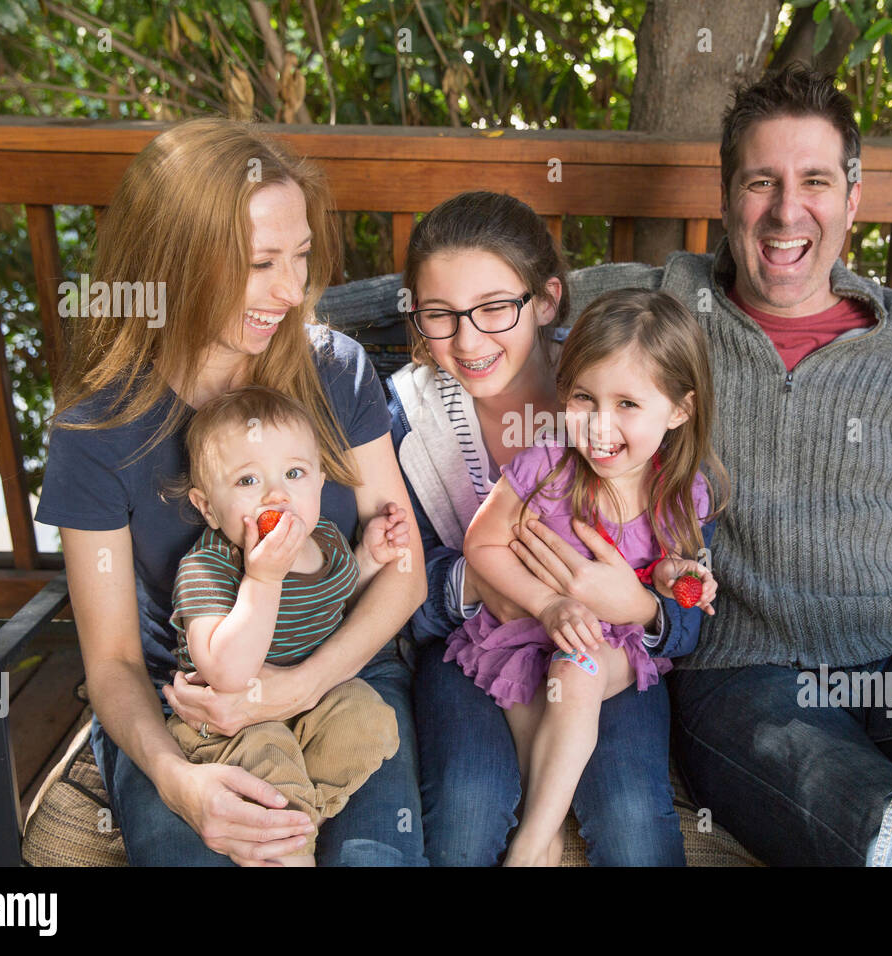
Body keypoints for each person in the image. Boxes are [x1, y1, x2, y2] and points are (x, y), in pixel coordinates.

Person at [321, 66, 892, 866]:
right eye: (761, 182)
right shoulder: (662, 305)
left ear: (853, 197)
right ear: (728, 197)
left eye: (814, 182)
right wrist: (290, 316)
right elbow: (485, 289)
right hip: (754, 683)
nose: (785, 212)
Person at [36, 117, 428, 866]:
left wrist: (296, 687)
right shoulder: (97, 428)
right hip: (184, 703)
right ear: (174, 263)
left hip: (342, 669)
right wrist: (178, 780)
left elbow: (403, 568)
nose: (293, 291)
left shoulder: (335, 371)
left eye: (302, 257)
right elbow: (114, 661)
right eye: (261, 264)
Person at [337, 190, 715, 865]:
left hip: (610, 648)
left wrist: (644, 604)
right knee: (466, 805)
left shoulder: (621, 376)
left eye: (493, 308)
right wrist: (493, 587)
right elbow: (394, 579)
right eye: (439, 315)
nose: (468, 339)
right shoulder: (405, 420)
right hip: (477, 646)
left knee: (631, 815)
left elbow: (686, 589)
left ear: (544, 300)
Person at [443, 289, 725, 865]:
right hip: (525, 636)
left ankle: (527, 846)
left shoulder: (683, 490)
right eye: (583, 398)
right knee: (542, 723)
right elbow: (481, 543)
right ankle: (542, 832)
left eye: (627, 404)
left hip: (612, 647)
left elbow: (675, 577)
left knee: (580, 669)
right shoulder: (546, 464)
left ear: (679, 409)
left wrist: (680, 580)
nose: (599, 426)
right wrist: (548, 605)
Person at [164, 385, 411, 866]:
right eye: (247, 482)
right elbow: (229, 674)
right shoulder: (208, 568)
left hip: (311, 706)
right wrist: (263, 578)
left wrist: (369, 558)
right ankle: (291, 851)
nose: (277, 493)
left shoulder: (327, 541)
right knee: (270, 753)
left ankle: (300, 817)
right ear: (207, 507)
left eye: (294, 473)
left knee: (372, 716)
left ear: (320, 482)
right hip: (227, 726)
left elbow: (335, 601)